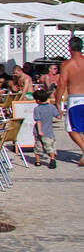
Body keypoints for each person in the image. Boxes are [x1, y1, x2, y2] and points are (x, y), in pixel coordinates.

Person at [54, 36, 84, 164]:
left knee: (71, 129)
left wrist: (57, 101)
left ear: (69, 48)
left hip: (75, 99)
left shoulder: (67, 64)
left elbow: (62, 84)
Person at [31, 88, 58, 170]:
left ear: (38, 100)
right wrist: (59, 106)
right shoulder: (52, 107)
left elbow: (38, 120)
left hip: (39, 131)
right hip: (49, 131)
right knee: (50, 147)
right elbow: (58, 116)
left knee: (38, 147)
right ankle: (52, 159)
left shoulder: (37, 109)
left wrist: (39, 131)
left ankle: (38, 161)